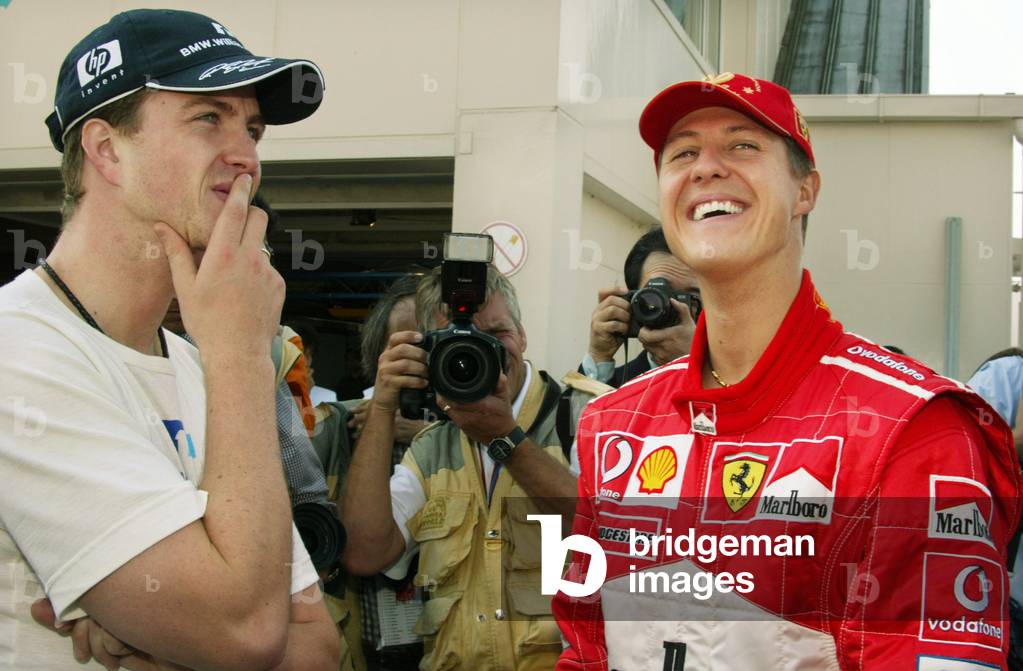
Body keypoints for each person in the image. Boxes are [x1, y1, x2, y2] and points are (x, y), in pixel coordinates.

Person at [553, 72, 1022, 670]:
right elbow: (586, 649)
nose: (706, 168)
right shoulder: (611, 422)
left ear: (806, 190)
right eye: (683, 152)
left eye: (742, 145)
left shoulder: (914, 430)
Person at [0, 9, 339, 669]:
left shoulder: (199, 357)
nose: (245, 157)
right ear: (105, 150)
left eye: (252, 128)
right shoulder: (19, 353)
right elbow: (248, 632)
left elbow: (316, 647)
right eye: (207, 117)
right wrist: (242, 355)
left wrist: (186, 641)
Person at [342, 265, 576, 670]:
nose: (484, 353)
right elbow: (364, 553)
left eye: (498, 335)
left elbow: (613, 537)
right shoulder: (433, 448)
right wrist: (383, 404)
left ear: (522, 335)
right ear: (429, 352)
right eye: (457, 342)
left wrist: (505, 438)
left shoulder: (582, 418)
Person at [581, 226, 701, 387]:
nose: (677, 307)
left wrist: (694, 363)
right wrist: (599, 356)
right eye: (659, 294)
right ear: (632, 303)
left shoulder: (738, 377)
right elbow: (580, 413)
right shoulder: (613, 384)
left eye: (691, 298)